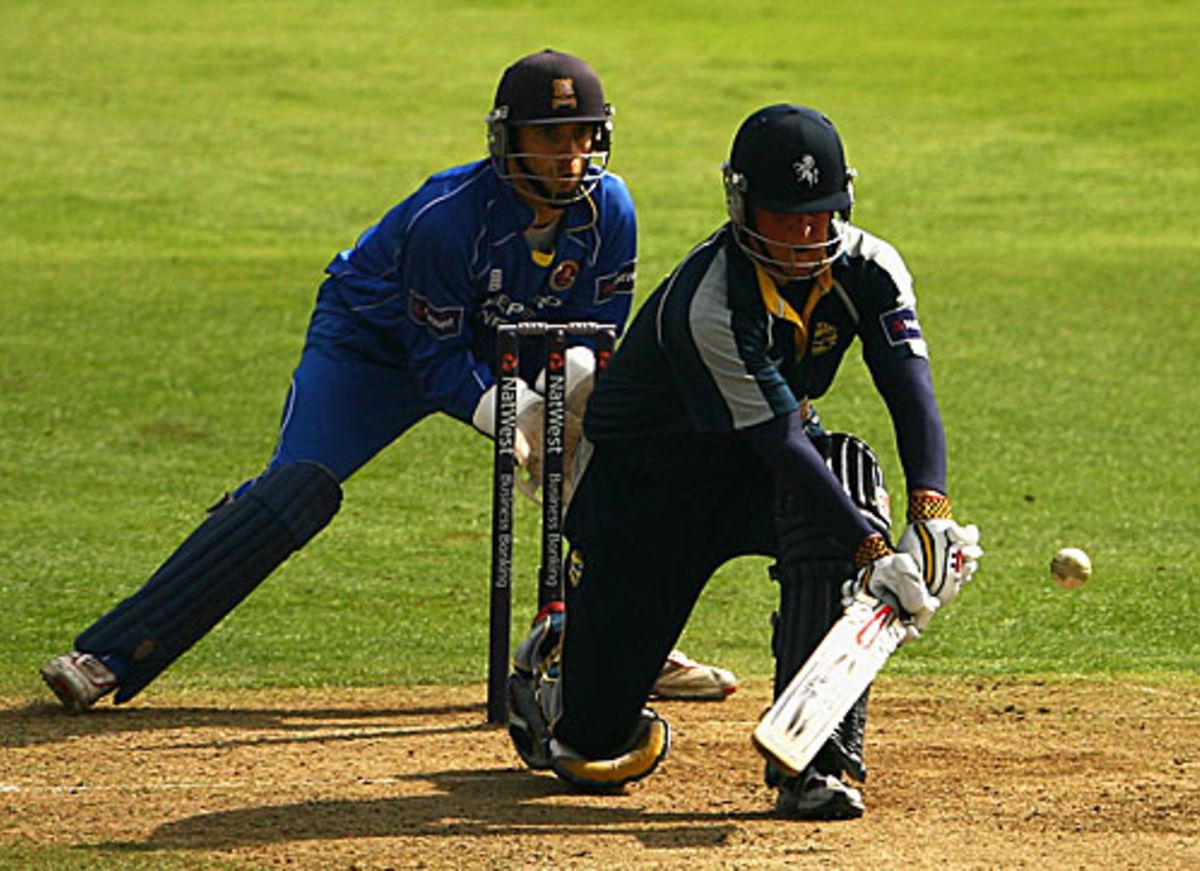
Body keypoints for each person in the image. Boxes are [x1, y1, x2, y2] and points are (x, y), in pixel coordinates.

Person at [40, 49, 735, 713]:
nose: (570, 155)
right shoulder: (448, 219)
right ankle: (111, 655)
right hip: (375, 348)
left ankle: (614, 648)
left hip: (511, 337)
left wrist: (571, 420)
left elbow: (592, 341)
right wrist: (517, 417)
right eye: (550, 136)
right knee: (298, 486)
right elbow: (434, 362)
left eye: (582, 135)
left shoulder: (610, 210)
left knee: (610, 458)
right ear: (508, 139)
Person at [505, 104, 983, 818]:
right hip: (648, 495)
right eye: (783, 214)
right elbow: (781, 444)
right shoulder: (711, 300)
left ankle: (817, 762)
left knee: (844, 474)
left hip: (757, 476)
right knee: (592, 752)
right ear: (740, 203)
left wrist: (933, 512)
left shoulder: (872, 267)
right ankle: (560, 668)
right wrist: (877, 550)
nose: (802, 234)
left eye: (819, 215)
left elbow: (910, 390)